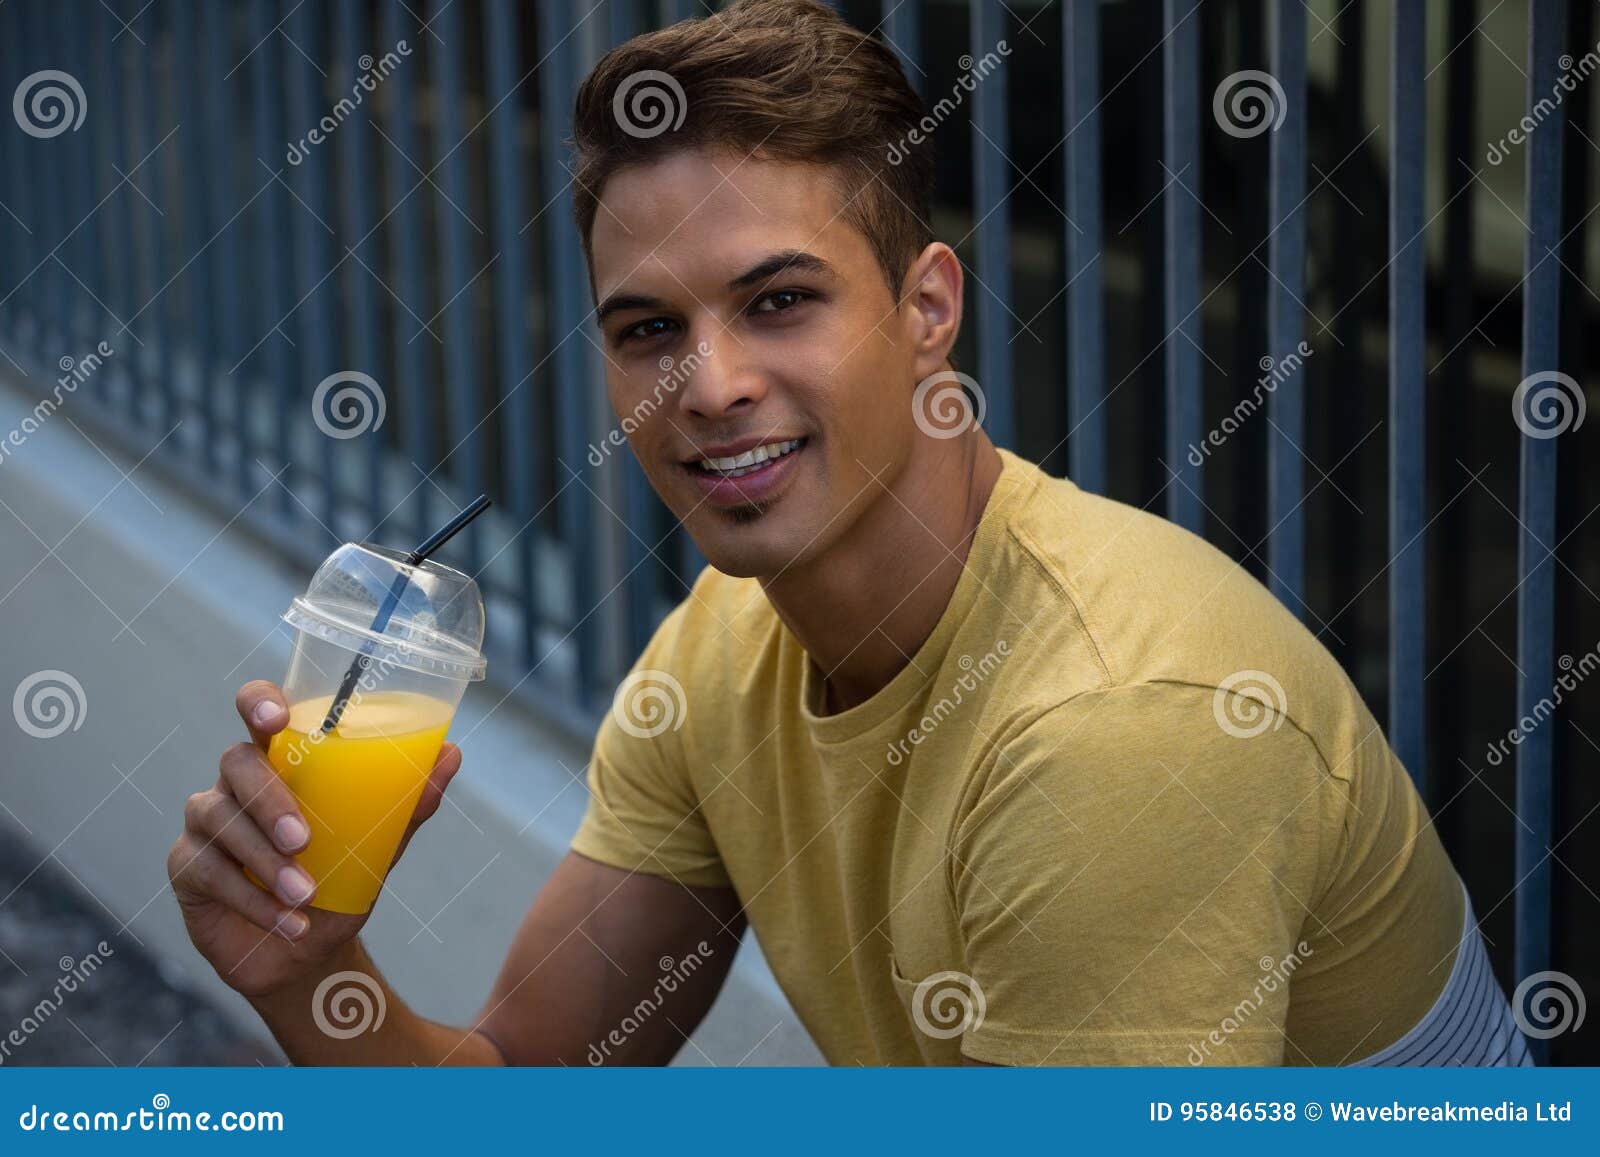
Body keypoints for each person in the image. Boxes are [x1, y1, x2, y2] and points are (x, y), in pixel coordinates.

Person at [167, 0, 1530, 1067]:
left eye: (779, 301)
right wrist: (310, 969)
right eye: (648, 328)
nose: (707, 385)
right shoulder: (725, 650)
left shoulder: (1115, 728)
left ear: (928, 307)